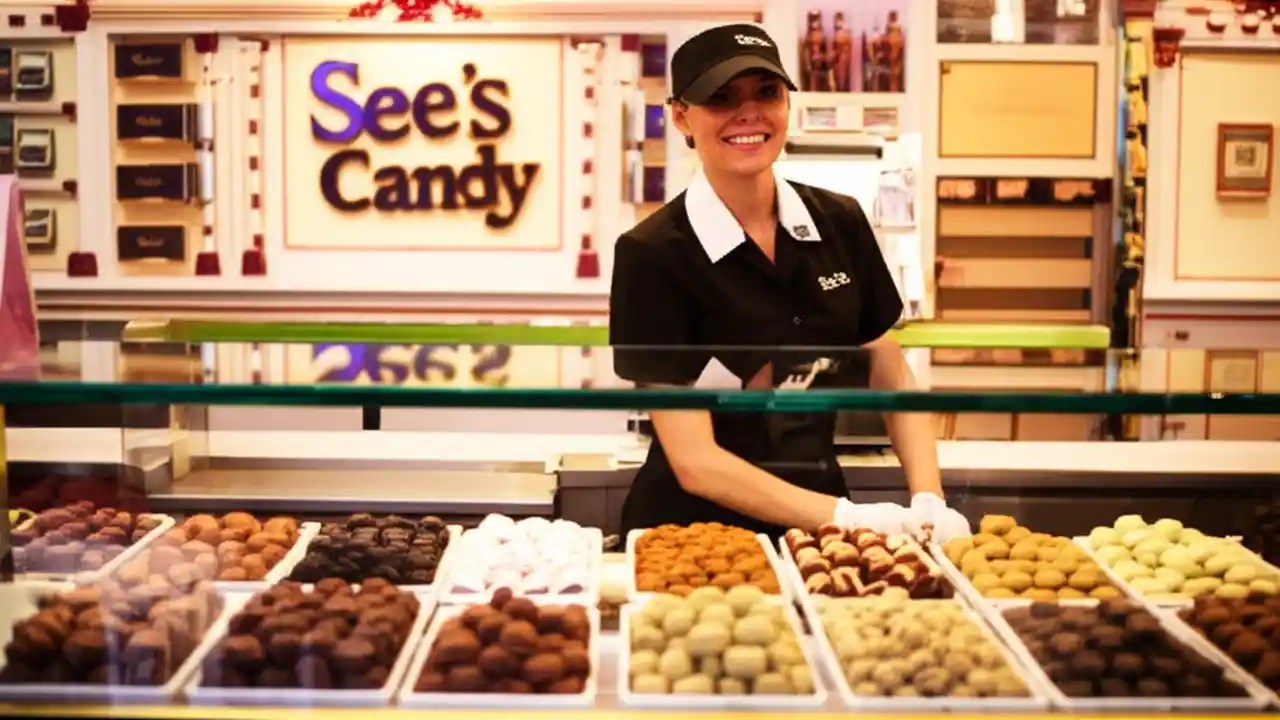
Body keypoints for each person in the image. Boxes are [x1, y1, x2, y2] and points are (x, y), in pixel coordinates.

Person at [608, 23, 970, 543]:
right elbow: (693, 460)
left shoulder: (840, 221)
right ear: (682, 116)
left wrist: (929, 497)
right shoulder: (652, 253)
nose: (748, 113)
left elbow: (889, 371)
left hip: (818, 531)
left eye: (766, 92)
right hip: (695, 534)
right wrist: (849, 518)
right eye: (721, 97)